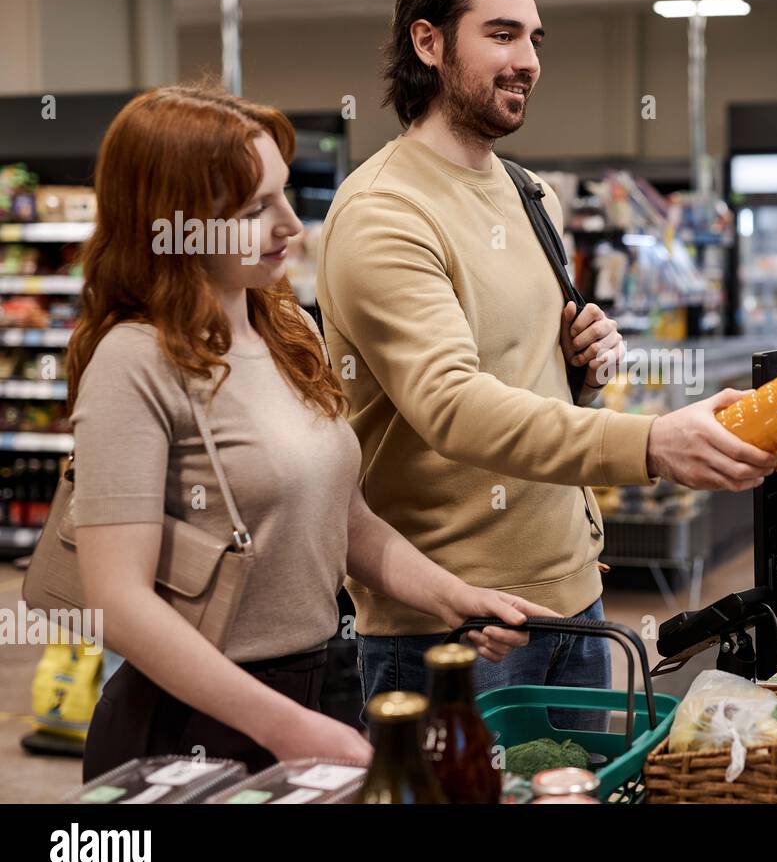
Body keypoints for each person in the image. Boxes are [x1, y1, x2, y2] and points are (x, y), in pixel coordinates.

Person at [317, 0, 777, 710]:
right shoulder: (384, 213)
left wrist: (578, 369)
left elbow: (521, 377)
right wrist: (651, 442)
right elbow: (453, 406)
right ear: (428, 44)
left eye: (535, 39)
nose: (527, 59)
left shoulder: (531, 195)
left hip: (577, 600)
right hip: (452, 625)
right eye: (501, 35)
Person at [70, 85, 554, 781]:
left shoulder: (284, 327)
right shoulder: (134, 362)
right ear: (176, 221)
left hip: (317, 683)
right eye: (253, 208)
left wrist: (457, 598)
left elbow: (344, 519)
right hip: (191, 725)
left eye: (284, 194)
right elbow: (115, 602)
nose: (289, 224)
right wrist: (286, 726)